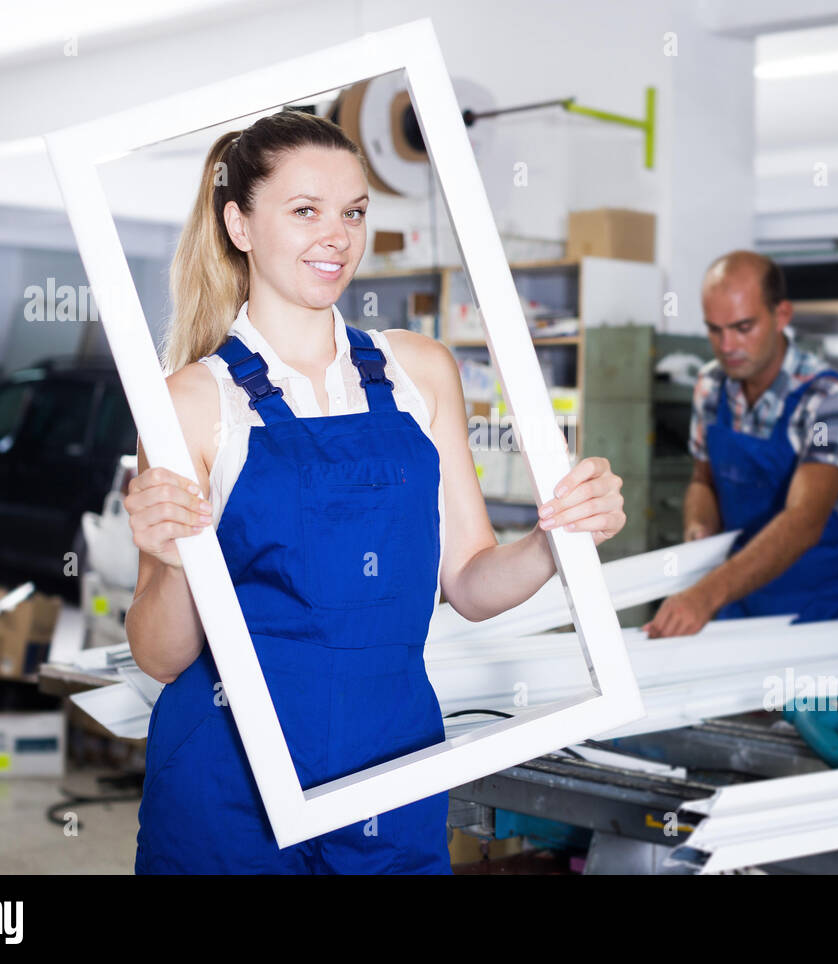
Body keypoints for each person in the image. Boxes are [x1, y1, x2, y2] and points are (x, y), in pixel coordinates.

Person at [123, 109, 626, 874]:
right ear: (240, 224)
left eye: (354, 212)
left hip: (392, 769)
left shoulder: (419, 373)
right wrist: (165, 562)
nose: (338, 236)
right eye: (305, 211)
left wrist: (556, 541)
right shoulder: (190, 402)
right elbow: (163, 657)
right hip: (231, 780)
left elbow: (468, 579)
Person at [642, 251, 838, 655]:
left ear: (782, 314)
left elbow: (804, 521)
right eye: (715, 330)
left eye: (743, 328)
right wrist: (698, 533)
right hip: (743, 606)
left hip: (830, 612)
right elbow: (703, 478)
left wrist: (705, 595)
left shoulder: (830, 401)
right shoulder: (710, 386)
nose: (728, 346)